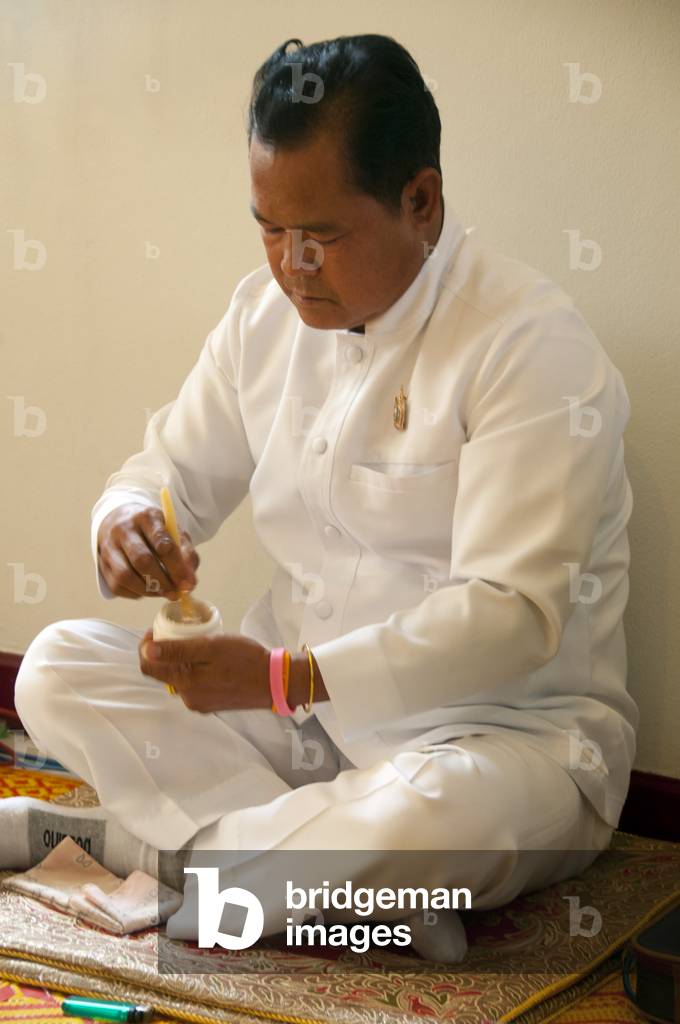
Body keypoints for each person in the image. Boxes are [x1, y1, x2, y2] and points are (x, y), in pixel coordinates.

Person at [8, 34, 637, 960]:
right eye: (269, 229)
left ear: (420, 200)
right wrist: (127, 524)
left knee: (429, 817)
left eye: (323, 236)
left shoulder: (531, 345)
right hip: (296, 733)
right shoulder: (262, 320)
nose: (291, 264)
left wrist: (284, 676)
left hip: (496, 744)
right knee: (56, 666)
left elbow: (512, 619)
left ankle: (147, 850)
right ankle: (335, 885)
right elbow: (165, 473)